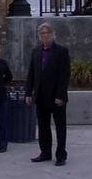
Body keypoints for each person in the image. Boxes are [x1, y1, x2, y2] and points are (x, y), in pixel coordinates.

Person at [25, 23, 71, 166]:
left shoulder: (62, 51)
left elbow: (65, 75)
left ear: (53, 34)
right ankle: (45, 152)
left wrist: (60, 96)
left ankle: (61, 155)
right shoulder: (36, 52)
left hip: (56, 96)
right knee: (43, 126)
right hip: (40, 95)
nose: (45, 36)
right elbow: (31, 73)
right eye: (42, 33)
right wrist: (28, 93)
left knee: (60, 127)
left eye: (48, 33)